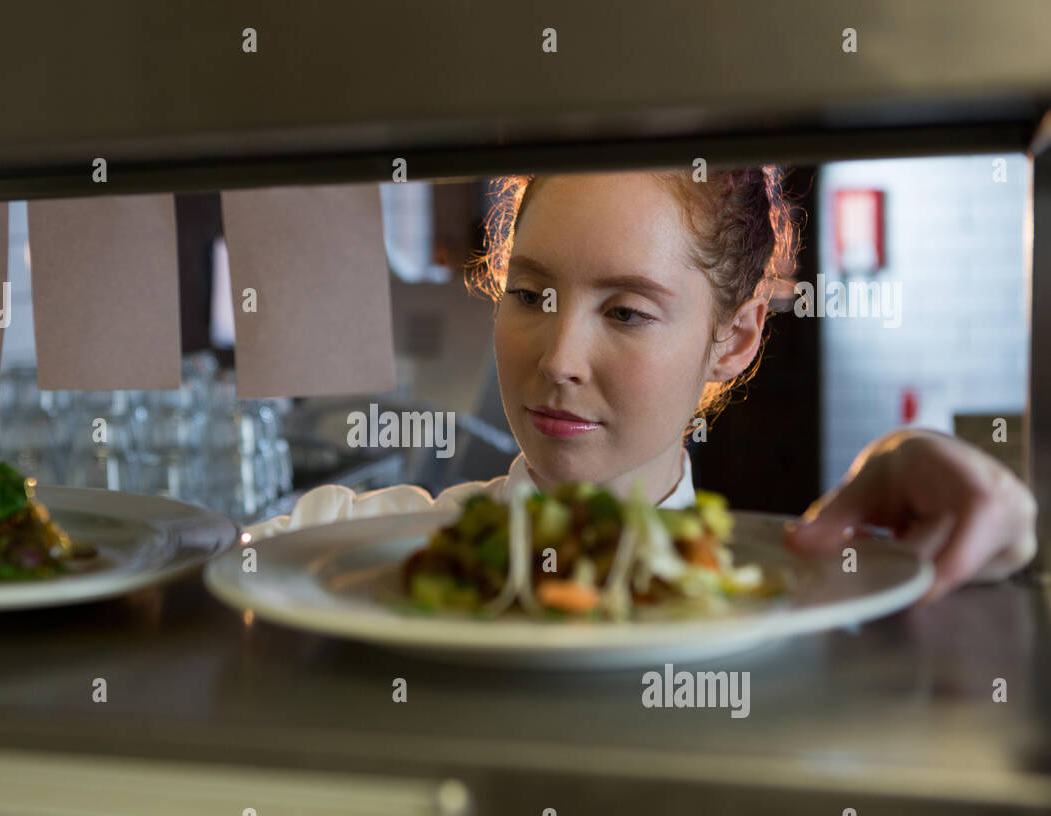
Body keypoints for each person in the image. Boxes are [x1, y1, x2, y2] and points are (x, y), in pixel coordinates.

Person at [245, 167, 1038, 604]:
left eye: (625, 312)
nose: (559, 359)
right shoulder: (348, 549)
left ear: (734, 339)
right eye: (530, 296)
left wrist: (1007, 550)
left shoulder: (788, 596)